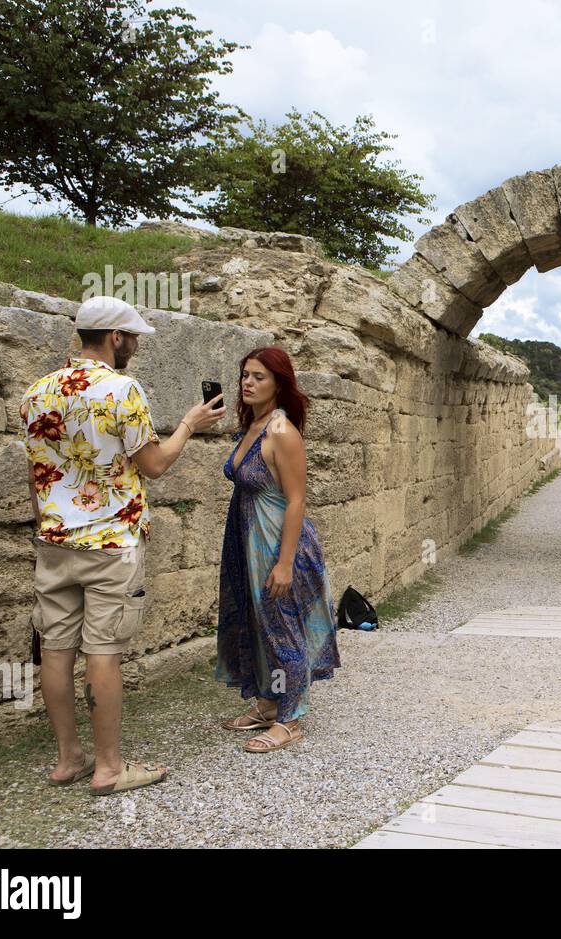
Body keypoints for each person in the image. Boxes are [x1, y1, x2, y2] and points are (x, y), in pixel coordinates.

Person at [21, 295, 225, 795]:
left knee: (55, 649)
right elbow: (154, 464)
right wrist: (188, 426)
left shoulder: (36, 393)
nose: (134, 346)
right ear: (115, 337)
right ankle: (109, 769)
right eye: (132, 338)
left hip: (54, 539)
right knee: (103, 652)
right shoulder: (122, 390)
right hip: (112, 543)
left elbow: (37, 474)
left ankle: (68, 759)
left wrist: (51, 521)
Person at [216, 347, 340, 753]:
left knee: (282, 629)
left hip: (276, 544)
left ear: (279, 384)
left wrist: (285, 563)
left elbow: (297, 500)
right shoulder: (252, 425)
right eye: (244, 375)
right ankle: (268, 704)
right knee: (255, 623)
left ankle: (290, 719)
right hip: (246, 541)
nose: (248, 383)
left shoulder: (282, 431)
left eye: (259, 377)